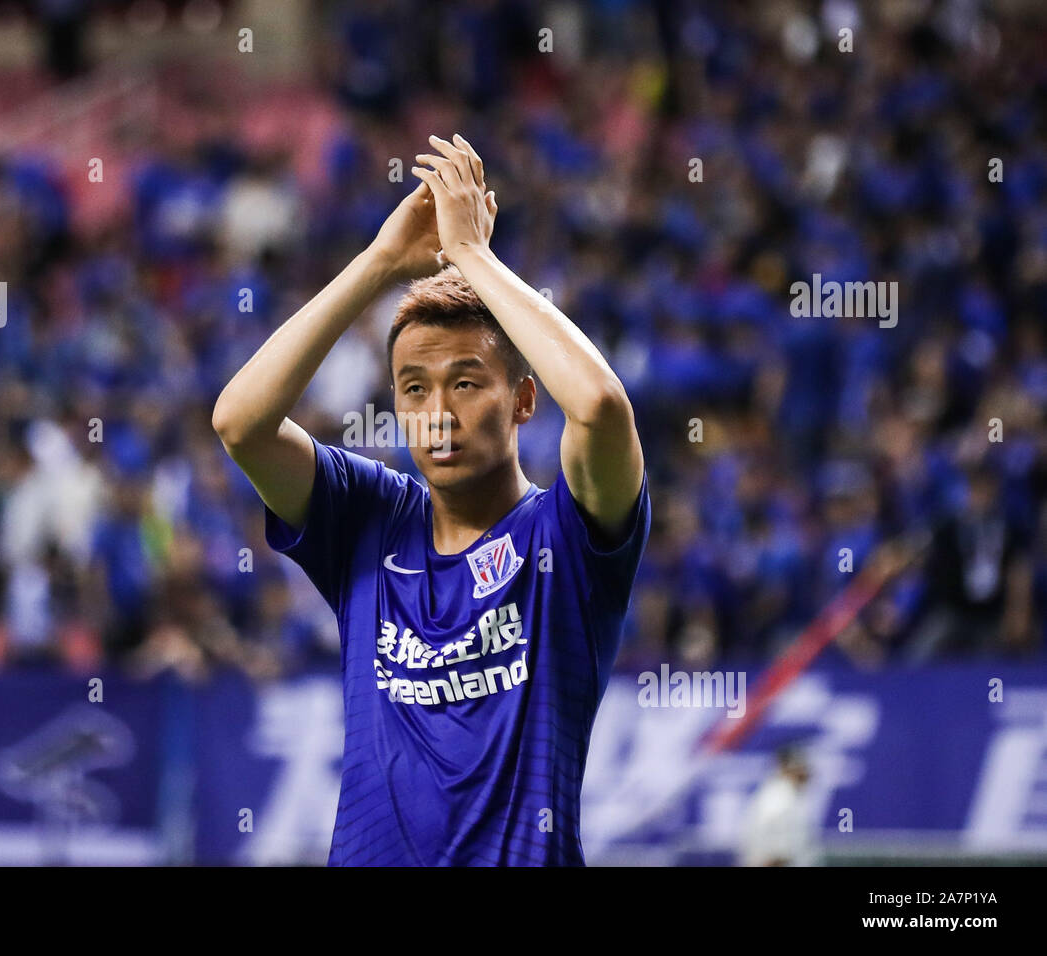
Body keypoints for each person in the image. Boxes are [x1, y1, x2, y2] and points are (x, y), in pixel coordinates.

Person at [212, 133, 650, 866]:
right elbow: (239, 423)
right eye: (414, 388)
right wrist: (379, 264)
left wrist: (473, 254)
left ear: (522, 399)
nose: (437, 412)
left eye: (467, 382)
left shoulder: (566, 537)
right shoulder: (368, 518)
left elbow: (602, 406)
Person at [739, 746, 820, 867]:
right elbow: (775, 856)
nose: (808, 774)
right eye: (803, 768)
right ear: (790, 769)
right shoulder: (781, 800)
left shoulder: (776, 795)